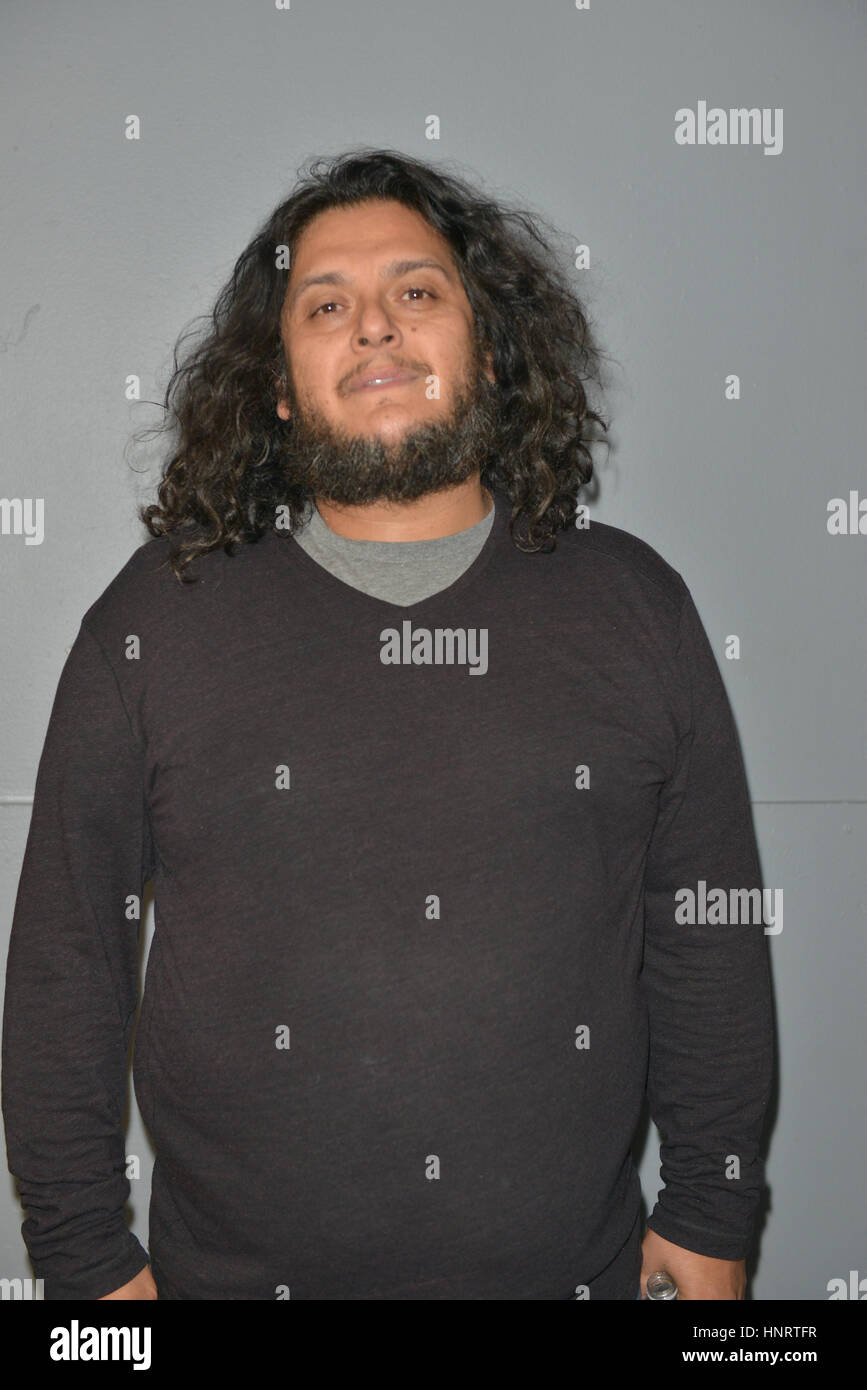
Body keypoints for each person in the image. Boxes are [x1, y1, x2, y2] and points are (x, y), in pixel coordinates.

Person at [2, 148, 774, 1300]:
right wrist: (82, 1278)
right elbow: (68, 965)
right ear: (276, 381)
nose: (374, 328)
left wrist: (714, 1216)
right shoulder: (158, 621)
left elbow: (705, 936)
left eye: (416, 292)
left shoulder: (635, 608)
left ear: (491, 348)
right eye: (326, 305)